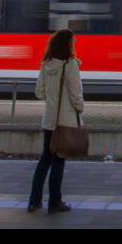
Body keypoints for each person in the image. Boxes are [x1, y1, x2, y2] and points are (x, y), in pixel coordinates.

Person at [29, 29, 84, 214]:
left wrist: (52, 100)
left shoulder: (46, 63)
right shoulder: (70, 65)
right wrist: (80, 108)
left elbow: (39, 92)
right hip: (65, 121)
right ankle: (55, 202)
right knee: (58, 162)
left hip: (49, 121)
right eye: (73, 41)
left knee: (44, 160)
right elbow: (76, 93)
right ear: (68, 44)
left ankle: (34, 201)